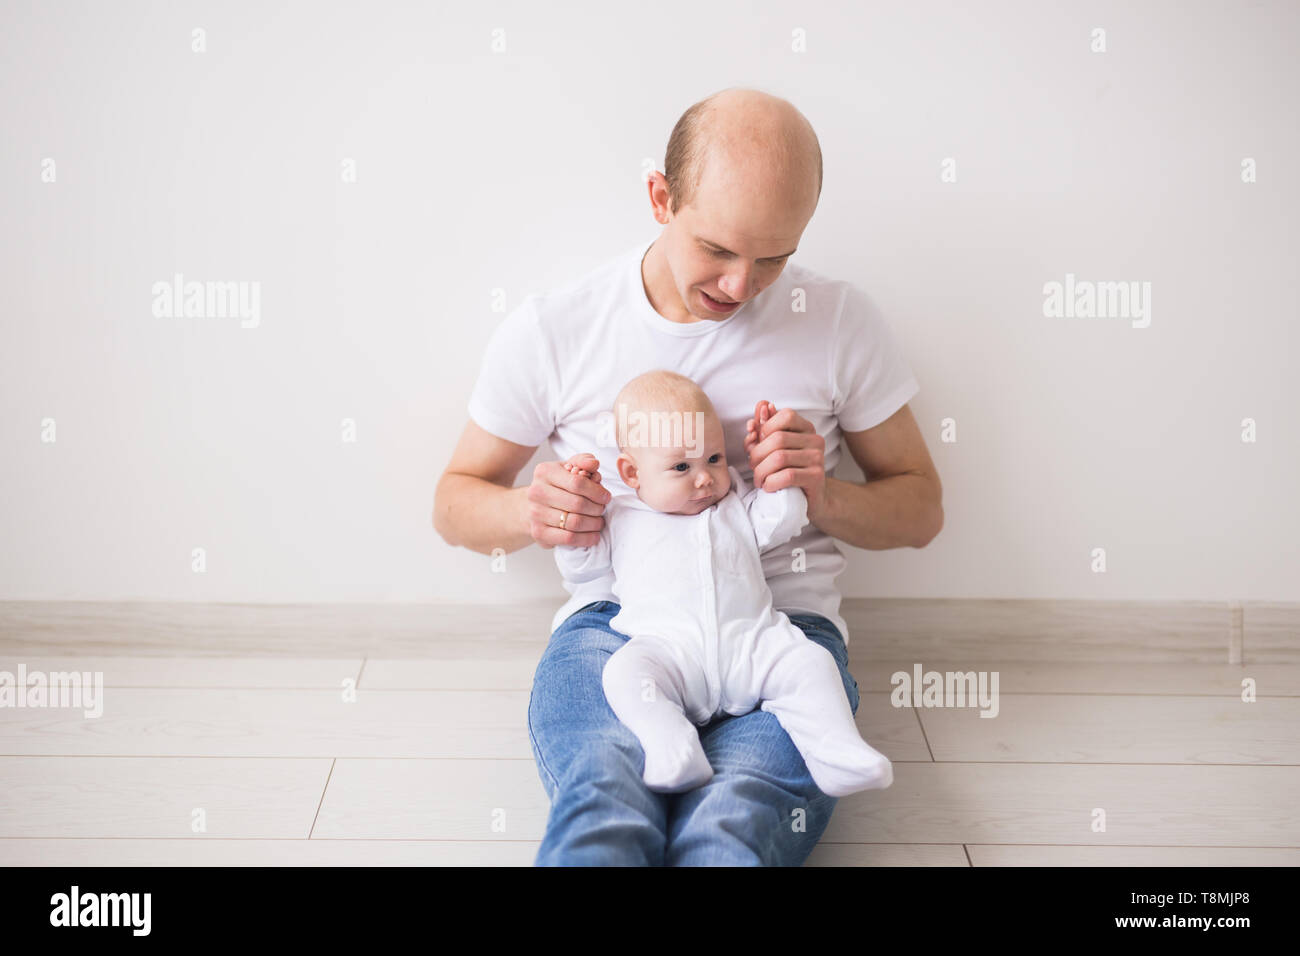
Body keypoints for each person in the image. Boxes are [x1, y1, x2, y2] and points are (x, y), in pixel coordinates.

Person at [433, 87, 944, 865]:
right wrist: (534, 512)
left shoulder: (840, 320)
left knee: (733, 820)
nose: (741, 287)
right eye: (719, 249)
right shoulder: (556, 328)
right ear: (659, 197)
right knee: (608, 792)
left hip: (780, 628)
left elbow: (922, 512)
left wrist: (819, 491)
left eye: (774, 256)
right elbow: (453, 502)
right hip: (617, 625)